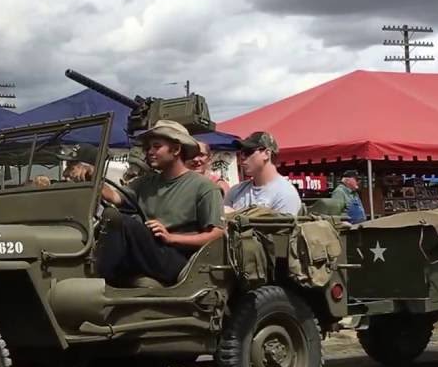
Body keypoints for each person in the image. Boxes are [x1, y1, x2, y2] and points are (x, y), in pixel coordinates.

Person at [97, 120, 223, 285]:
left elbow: (217, 235)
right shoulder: (145, 182)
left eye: (156, 147)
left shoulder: (204, 187)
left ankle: (102, 277)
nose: (149, 152)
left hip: (178, 260)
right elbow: (114, 196)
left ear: (176, 149)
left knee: (123, 222)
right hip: (149, 252)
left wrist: (171, 238)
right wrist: (94, 176)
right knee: (110, 218)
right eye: (148, 148)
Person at [224, 131, 302, 216]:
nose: (242, 157)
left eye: (248, 152)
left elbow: (281, 228)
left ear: (266, 154)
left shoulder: (285, 194)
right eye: (240, 153)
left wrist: (233, 216)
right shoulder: (235, 191)